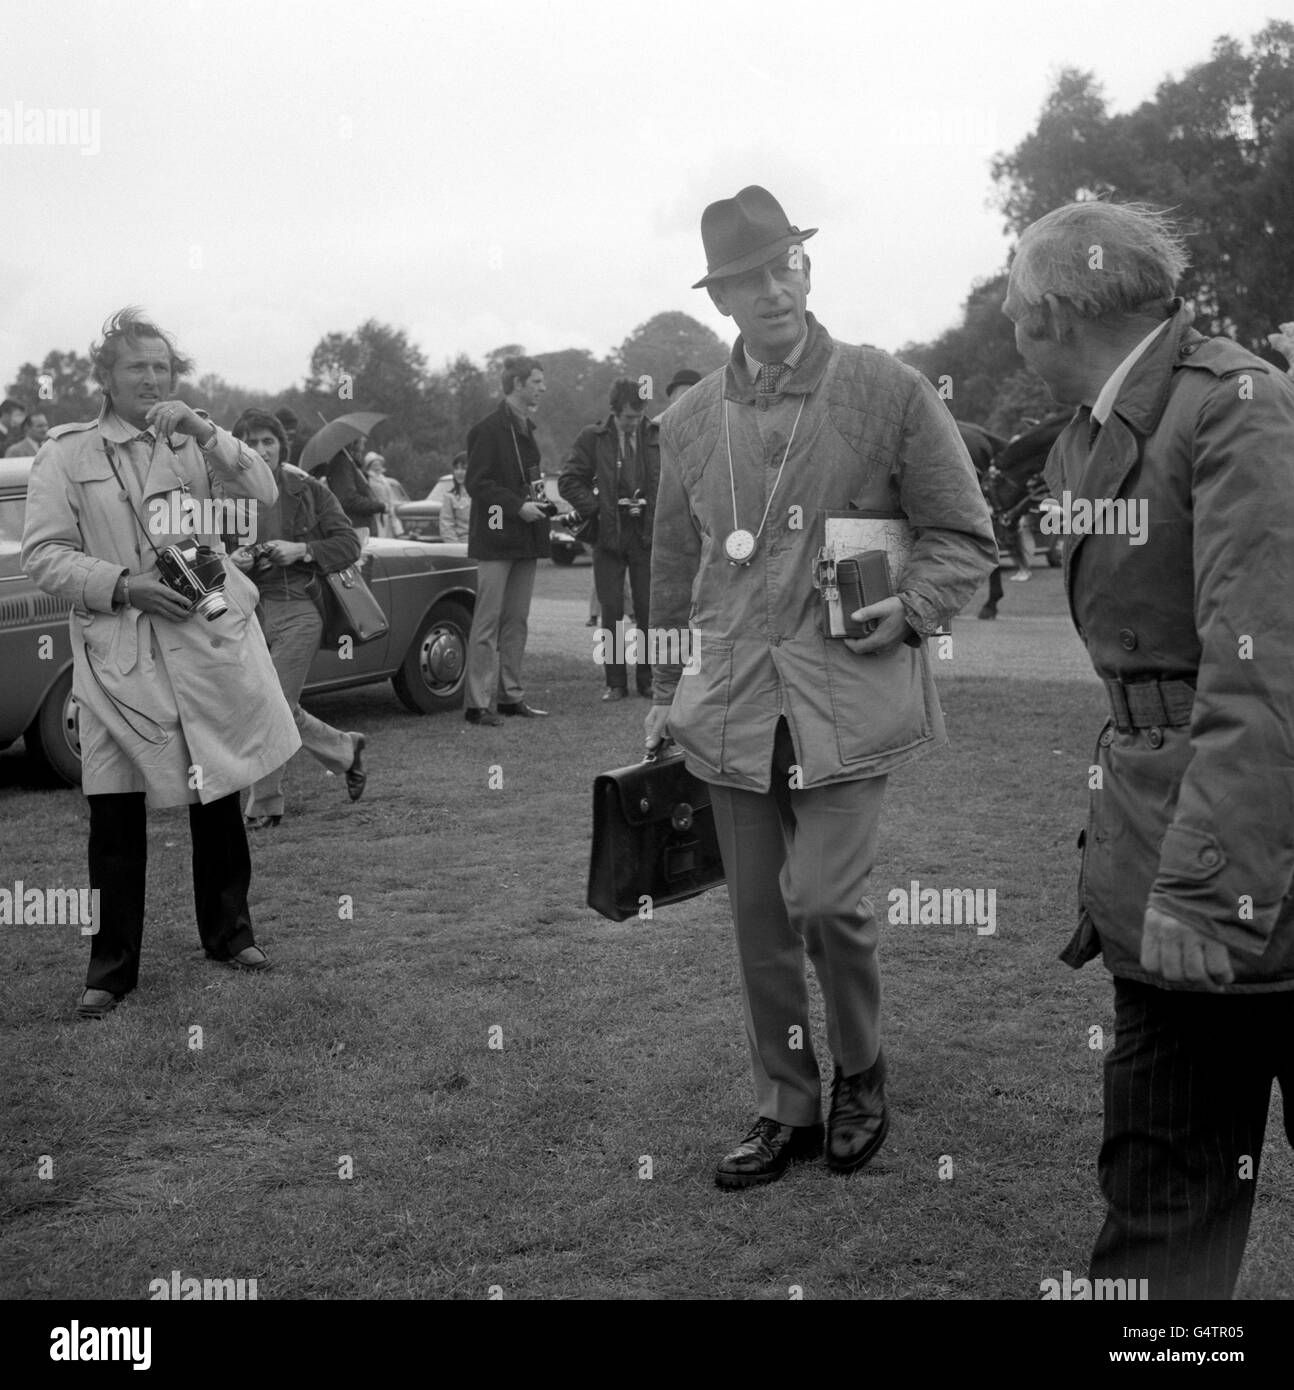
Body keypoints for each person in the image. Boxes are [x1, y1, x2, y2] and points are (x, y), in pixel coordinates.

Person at [647, 186, 995, 1189]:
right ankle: (784, 1102)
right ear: (720, 298)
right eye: (748, 278)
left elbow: (963, 533)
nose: (773, 290)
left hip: (846, 696)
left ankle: (864, 1073)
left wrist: (919, 608)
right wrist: (666, 684)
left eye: (785, 266)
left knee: (826, 902)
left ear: (805, 267)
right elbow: (678, 573)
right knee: (758, 921)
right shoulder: (683, 420)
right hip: (730, 706)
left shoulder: (885, 389)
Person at [1003, 200, 1294, 1301]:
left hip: (1231, 873)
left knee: (1167, 1200)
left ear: (1051, 315)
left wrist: (1206, 888)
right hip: (1159, 863)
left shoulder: (1234, 407)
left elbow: (1264, 663)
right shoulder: (1100, 422)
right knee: (1160, 1206)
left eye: (1010, 308)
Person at [20, 308, 301, 1019]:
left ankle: (230, 934)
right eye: (137, 367)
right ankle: (110, 970)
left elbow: (264, 490)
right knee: (113, 817)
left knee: (219, 795)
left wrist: (208, 431)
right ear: (105, 378)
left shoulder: (192, 441)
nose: (153, 379)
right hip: (122, 655)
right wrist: (122, 585)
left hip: (205, 650)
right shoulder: (66, 454)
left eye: (164, 368)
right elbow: (44, 556)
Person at [227, 409, 368, 829]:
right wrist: (232, 561)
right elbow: (203, 553)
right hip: (248, 614)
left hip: (298, 609)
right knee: (271, 705)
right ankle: (346, 749)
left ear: (280, 445)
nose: (261, 449)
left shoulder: (307, 490)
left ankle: (265, 803)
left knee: (273, 707)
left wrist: (301, 550)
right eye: (250, 442)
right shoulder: (225, 494)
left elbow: (347, 544)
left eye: (268, 440)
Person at [462, 355, 551, 725]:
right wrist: (518, 507)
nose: (542, 388)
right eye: (536, 382)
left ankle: (511, 696)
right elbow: (477, 483)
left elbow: (529, 479)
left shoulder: (527, 428)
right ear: (516, 383)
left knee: (517, 621)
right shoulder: (488, 429)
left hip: (525, 540)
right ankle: (476, 704)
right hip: (497, 540)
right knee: (487, 623)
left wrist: (543, 503)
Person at [560, 378, 659, 700]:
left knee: (647, 610)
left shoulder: (654, 435)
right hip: (607, 537)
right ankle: (615, 682)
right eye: (628, 417)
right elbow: (569, 480)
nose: (634, 424)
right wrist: (597, 509)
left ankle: (647, 680)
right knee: (612, 611)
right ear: (614, 412)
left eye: (639, 416)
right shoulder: (592, 438)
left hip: (645, 536)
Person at [324, 446, 385, 544]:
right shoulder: (342, 463)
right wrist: (378, 506)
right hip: (356, 529)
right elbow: (348, 499)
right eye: (361, 439)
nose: (364, 441)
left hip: (362, 528)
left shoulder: (350, 462)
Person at [363, 452, 405, 538]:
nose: (377, 466)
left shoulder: (384, 479)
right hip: (377, 515)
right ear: (369, 466)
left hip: (388, 513)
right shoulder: (369, 480)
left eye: (379, 464)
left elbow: (390, 498)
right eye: (374, 464)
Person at [438, 452, 471, 543]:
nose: (459, 472)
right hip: (460, 546)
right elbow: (446, 527)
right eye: (456, 468)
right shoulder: (450, 497)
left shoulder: (482, 495)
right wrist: (457, 548)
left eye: (464, 469)